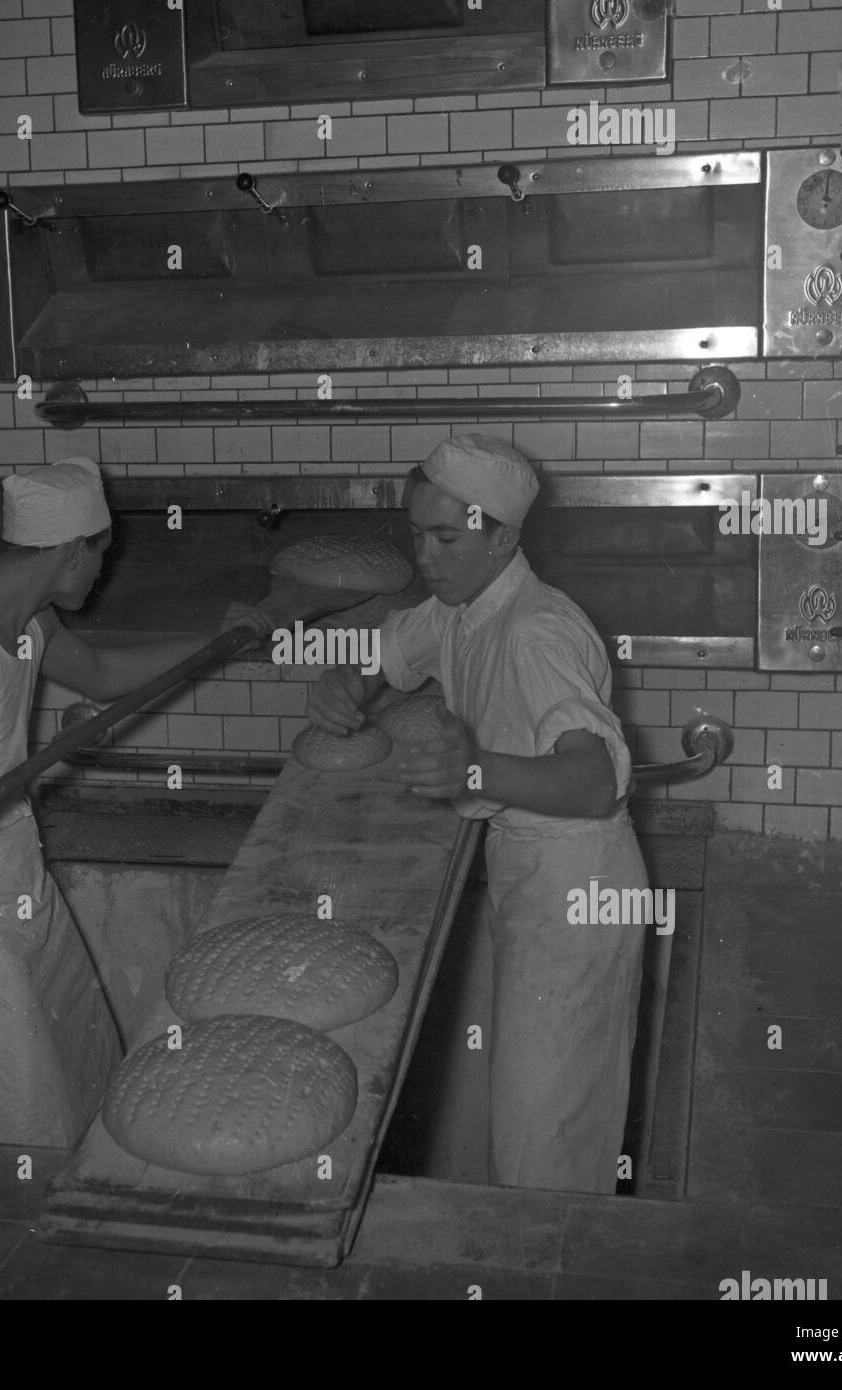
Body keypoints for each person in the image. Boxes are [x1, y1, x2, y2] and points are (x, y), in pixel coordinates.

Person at [0, 457, 270, 1148]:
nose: (102, 571)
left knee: (84, 1052)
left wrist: (223, 640)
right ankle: (19, 1237)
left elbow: (105, 676)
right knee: (18, 1099)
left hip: (16, 860)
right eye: (100, 553)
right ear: (68, 547)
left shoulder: (30, 623)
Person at [307, 434, 648, 1193]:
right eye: (415, 534)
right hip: (530, 876)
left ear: (504, 538)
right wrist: (344, 682)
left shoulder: (534, 631)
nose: (424, 556)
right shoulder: (463, 609)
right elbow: (392, 646)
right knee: (532, 1128)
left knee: (545, 1148)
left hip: (576, 893)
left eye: (446, 538)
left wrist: (473, 768)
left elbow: (594, 780)